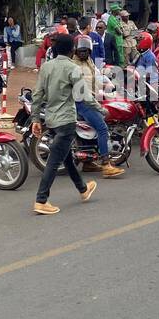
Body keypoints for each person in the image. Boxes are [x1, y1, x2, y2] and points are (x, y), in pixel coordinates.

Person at [29, 34, 98, 215]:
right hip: (66, 120)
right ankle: (41, 200)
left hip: (51, 120)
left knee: (66, 157)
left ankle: (83, 189)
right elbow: (84, 95)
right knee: (54, 161)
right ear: (71, 50)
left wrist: (35, 119)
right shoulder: (72, 68)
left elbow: (37, 95)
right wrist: (100, 109)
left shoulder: (46, 67)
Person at [71, 35, 122, 177]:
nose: (83, 53)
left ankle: (88, 163)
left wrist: (108, 86)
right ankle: (106, 164)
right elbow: (83, 90)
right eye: (81, 50)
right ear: (75, 50)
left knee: (94, 128)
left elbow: (95, 80)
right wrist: (99, 107)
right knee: (102, 128)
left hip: (92, 98)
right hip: (82, 102)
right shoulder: (73, 65)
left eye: (86, 50)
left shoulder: (89, 62)